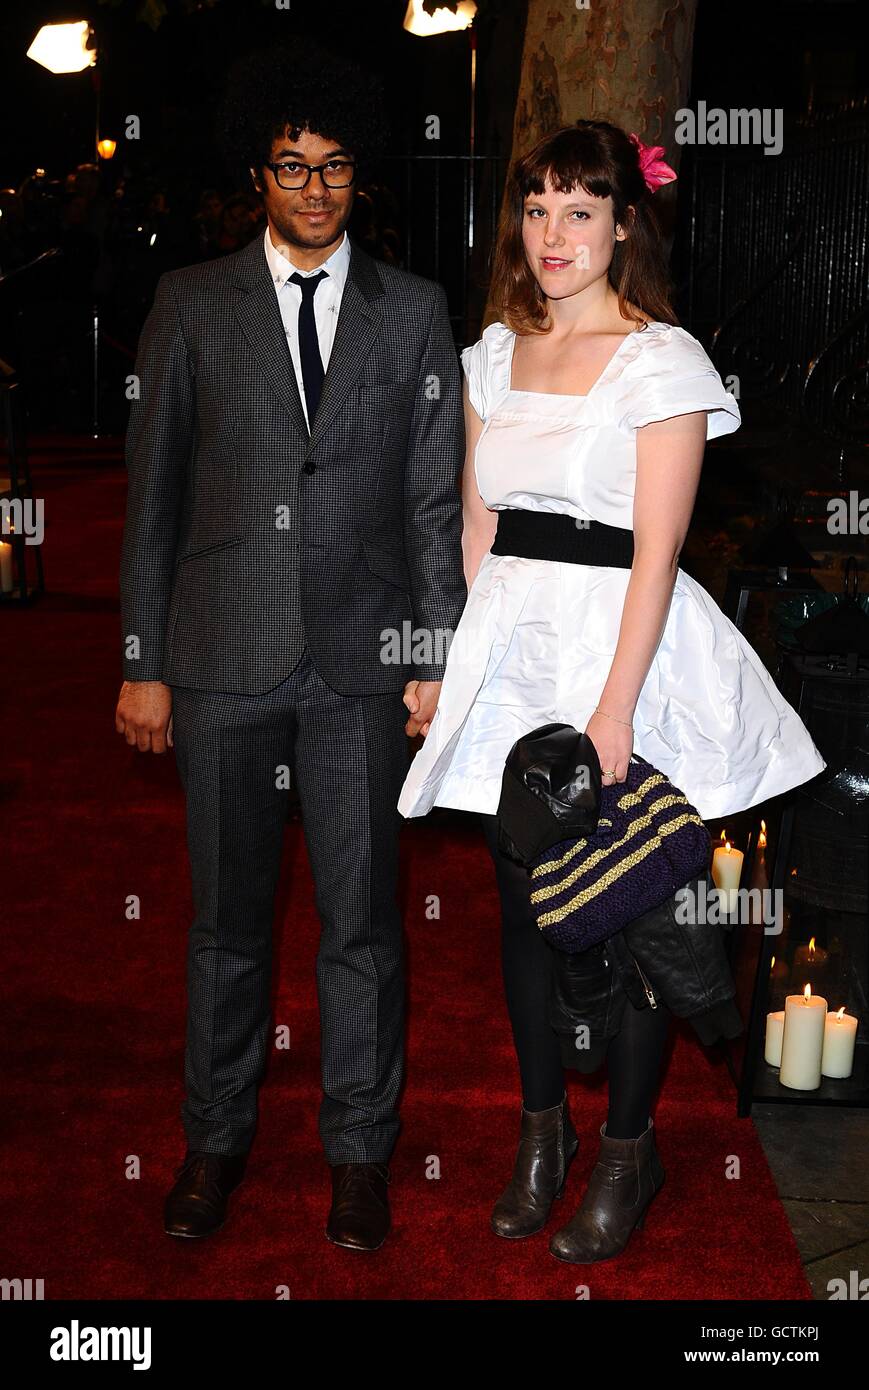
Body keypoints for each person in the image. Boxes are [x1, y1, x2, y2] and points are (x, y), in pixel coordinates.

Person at [397, 120, 826, 1262]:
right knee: (525, 905)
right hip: (511, 655)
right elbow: (477, 527)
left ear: (622, 224)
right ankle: (543, 1136)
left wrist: (614, 711)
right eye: (535, 208)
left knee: (627, 906)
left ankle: (627, 1152)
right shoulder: (491, 353)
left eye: (578, 211)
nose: (552, 234)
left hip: (623, 656)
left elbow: (654, 552)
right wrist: (447, 665)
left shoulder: (662, 361)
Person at [115, 41, 465, 1251]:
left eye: (333, 168)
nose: (313, 189)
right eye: (289, 166)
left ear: (357, 176)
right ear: (256, 173)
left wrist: (435, 654)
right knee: (227, 923)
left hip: (361, 667)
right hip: (217, 661)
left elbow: (431, 505)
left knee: (363, 924)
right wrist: (139, 657)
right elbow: (150, 495)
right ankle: (214, 1137)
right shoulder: (189, 304)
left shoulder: (414, 313)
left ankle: (360, 1152)